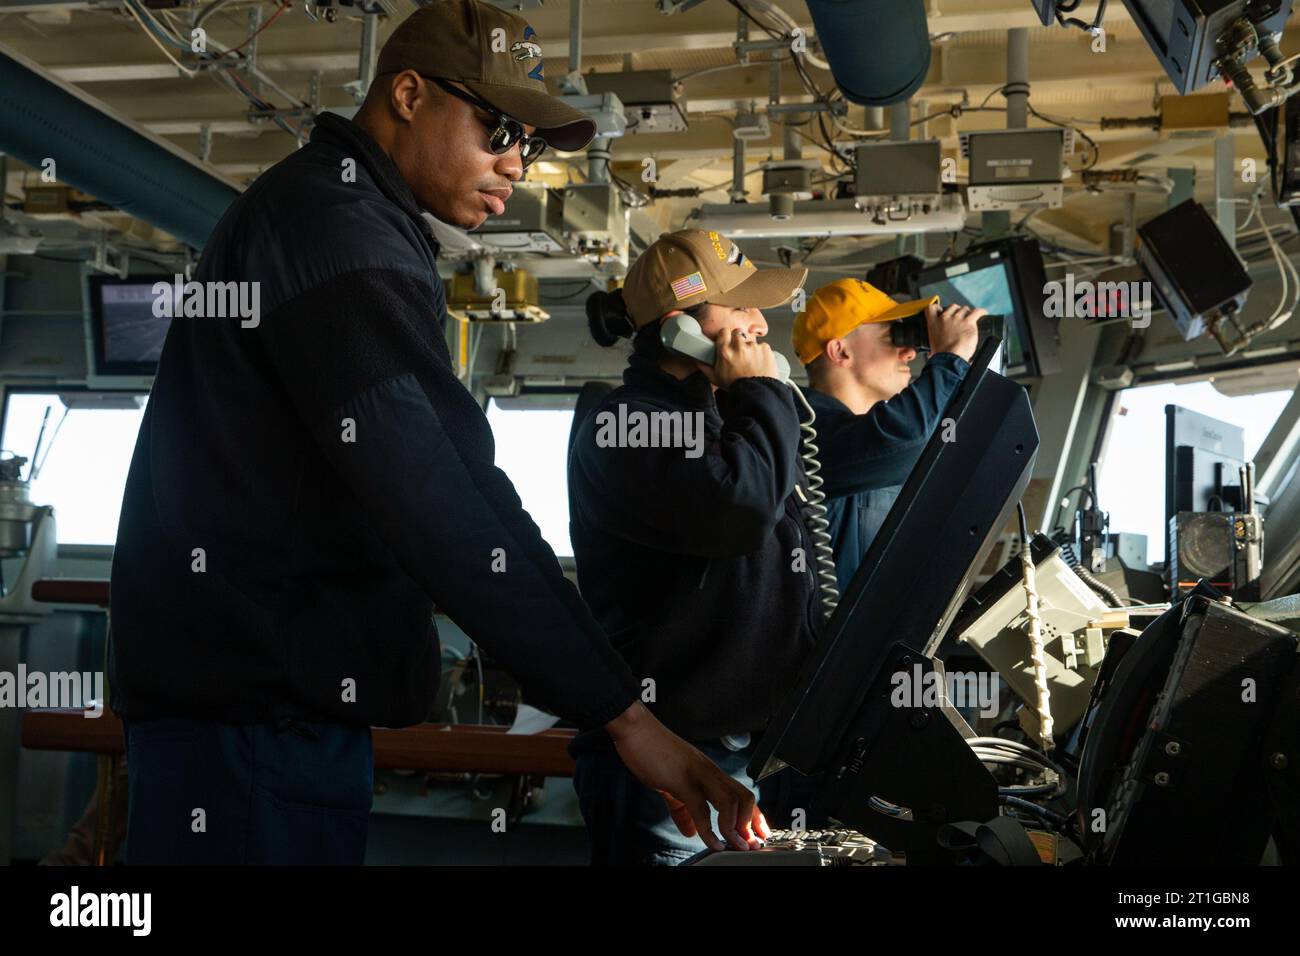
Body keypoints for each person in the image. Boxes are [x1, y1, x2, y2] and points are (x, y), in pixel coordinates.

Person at [108, 0, 763, 865]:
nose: (515, 163)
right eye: (498, 129)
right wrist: (624, 716)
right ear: (408, 95)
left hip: (262, 721)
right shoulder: (334, 227)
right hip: (255, 731)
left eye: (527, 145)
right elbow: (442, 489)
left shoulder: (343, 217)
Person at [569, 229, 827, 865]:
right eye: (740, 306)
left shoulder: (719, 419)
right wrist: (762, 393)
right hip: (674, 758)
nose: (759, 323)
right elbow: (737, 513)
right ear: (681, 325)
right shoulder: (625, 422)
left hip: (755, 749)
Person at [791, 279, 983, 592]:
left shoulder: (876, 443)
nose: (909, 353)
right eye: (892, 336)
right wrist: (950, 359)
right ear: (840, 351)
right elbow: (905, 438)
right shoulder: (803, 434)